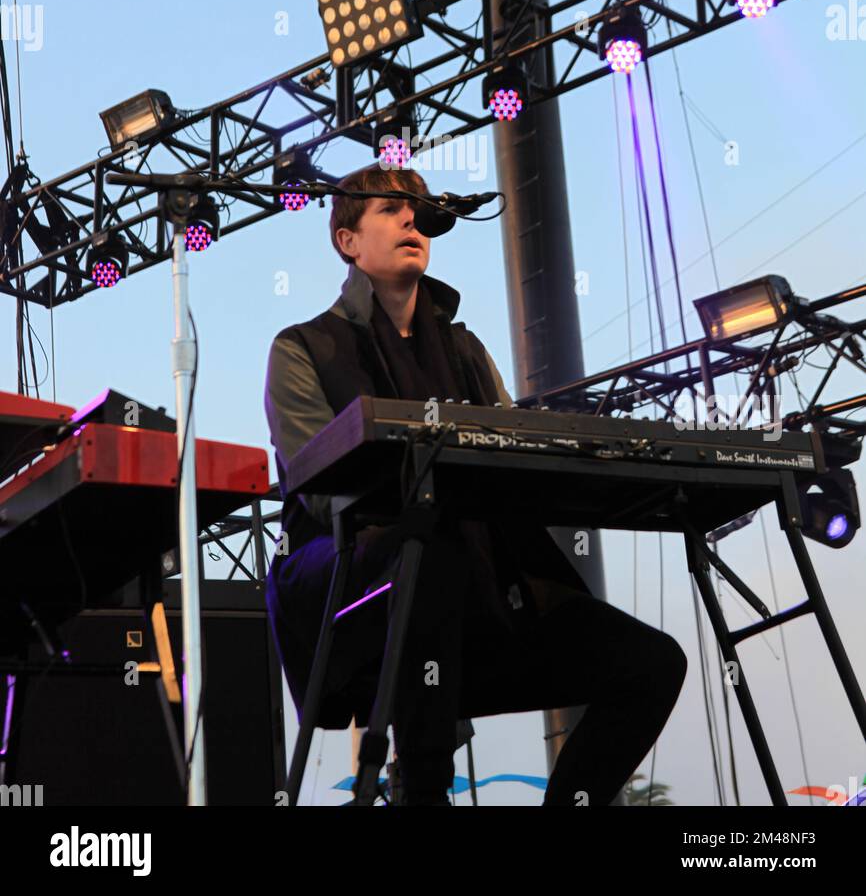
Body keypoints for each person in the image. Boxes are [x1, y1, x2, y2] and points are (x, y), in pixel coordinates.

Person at [265, 163, 687, 806]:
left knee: (654, 663)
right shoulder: (302, 348)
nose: (412, 219)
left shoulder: (464, 350)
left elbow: (515, 468)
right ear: (347, 241)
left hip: (482, 596)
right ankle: (424, 790)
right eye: (389, 210)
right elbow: (319, 489)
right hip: (355, 595)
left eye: (418, 209)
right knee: (424, 552)